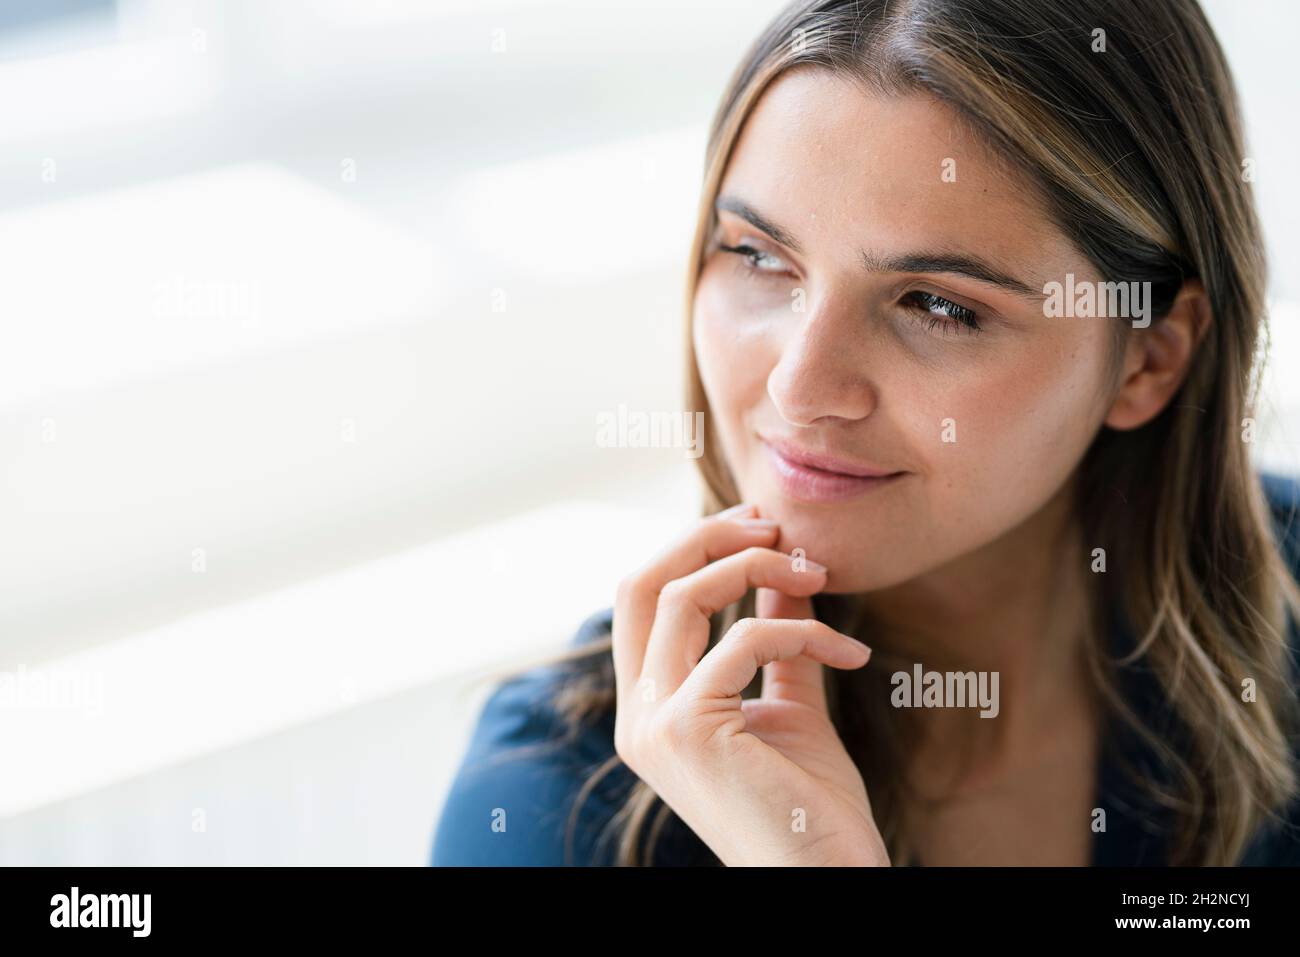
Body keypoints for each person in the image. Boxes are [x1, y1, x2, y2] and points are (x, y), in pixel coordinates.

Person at [431, 0, 1300, 866]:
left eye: (938, 305)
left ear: (1148, 360)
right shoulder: (550, 803)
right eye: (758, 256)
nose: (798, 387)